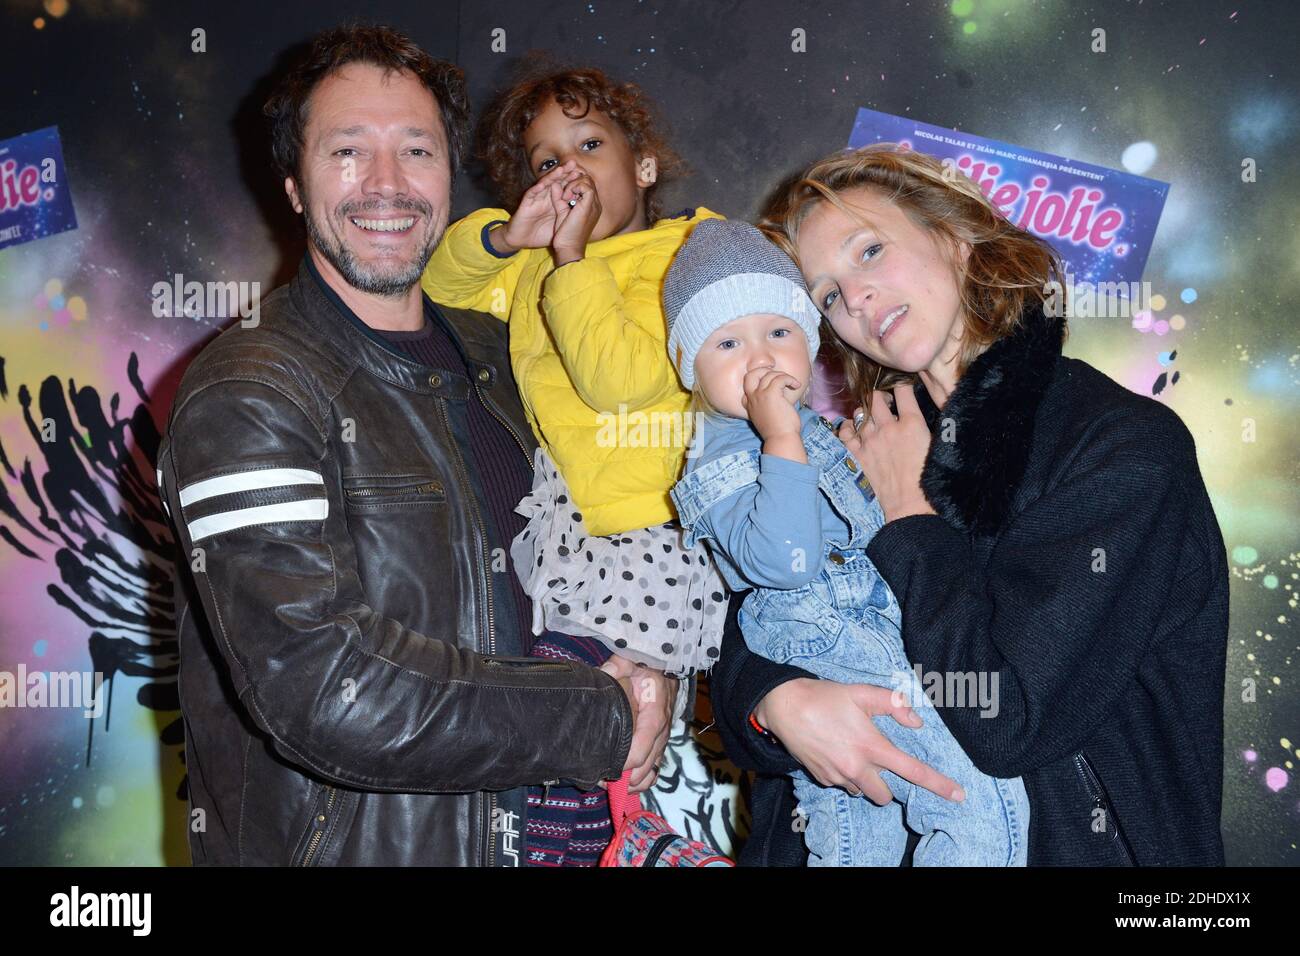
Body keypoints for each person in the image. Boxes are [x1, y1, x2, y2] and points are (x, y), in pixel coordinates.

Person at [156, 24, 674, 867]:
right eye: (348, 152)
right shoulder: (248, 389)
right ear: (292, 184)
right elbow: (326, 690)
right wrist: (599, 716)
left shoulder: (509, 352)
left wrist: (649, 668)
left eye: (418, 152)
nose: (388, 186)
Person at [710, 143, 1229, 866]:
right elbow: (753, 628)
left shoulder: (1123, 447)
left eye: (869, 251)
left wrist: (908, 517)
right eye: (826, 294)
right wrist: (778, 701)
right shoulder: (853, 441)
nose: (853, 298)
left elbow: (1008, 717)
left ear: (953, 238)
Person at [663, 218, 1029, 866]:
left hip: (869, 624)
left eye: (780, 332)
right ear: (690, 370)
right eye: (727, 343)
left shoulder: (827, 426)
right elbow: (787, 562)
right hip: (821, 627)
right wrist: (783, 443)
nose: (761, 358)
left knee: (865, 833)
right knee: (973, 797)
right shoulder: (727, 454)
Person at [420, 63, 731, 681]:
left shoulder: (687, 251)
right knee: (565, 699)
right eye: (547, 162)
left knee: (576, 683)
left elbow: (619, 383)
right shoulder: (534, 263)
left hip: (661, 526)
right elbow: (437, 289)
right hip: (570, 530)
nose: (570, 170)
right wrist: (505, 241)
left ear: (643, 166)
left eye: (590, 144)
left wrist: (571, 260)